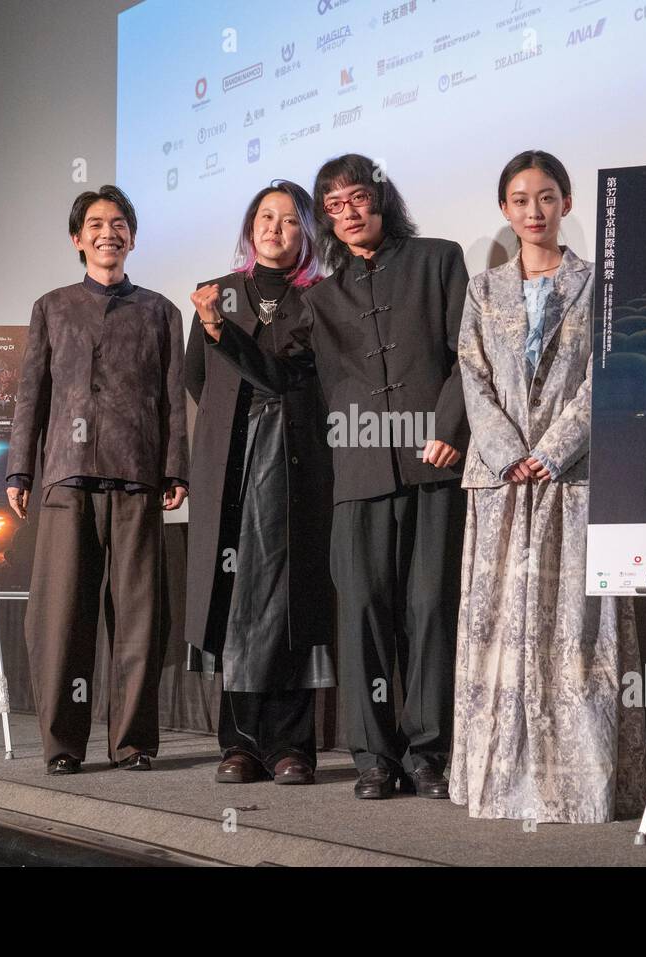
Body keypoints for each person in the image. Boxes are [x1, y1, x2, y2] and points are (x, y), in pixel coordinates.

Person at [199, 154, 469, 800]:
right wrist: (217, 330)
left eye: (357, 198)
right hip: (357, 475)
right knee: (365, 620)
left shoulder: (439, 260)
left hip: (433, 468)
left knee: (431, 612)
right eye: (334, 205)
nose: (347, 212)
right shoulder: (320, 296)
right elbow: (280, 376)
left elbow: (470, 353)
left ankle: (428, 753)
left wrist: (450, 427)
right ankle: (376, 757)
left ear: (381, 198)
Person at [450, 150, 646, 823]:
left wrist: (554, 450)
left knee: (576, 633)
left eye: (546, 197)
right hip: (502, 485)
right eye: (519, 199)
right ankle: (498, 780)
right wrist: (511, 454)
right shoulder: (482, 290)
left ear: (564, 204)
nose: (533, 211)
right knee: (499, 632)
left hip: (576, 478)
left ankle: (579, 786)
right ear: (504, 209)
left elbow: (610, 374)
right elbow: (472, 378)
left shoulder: (601, 284)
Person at [6, 185, 188, 775]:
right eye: (96, 224)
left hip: (136, 477)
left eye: (119, 223)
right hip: (67, 477)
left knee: (137, 620)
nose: (108, 232)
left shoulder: (161, 311)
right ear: (77, 239)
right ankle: (63, 747)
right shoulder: (52, 306)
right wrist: (20, 467)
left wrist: (174, 468)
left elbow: (171, 403)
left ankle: (133, 743)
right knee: (61, 620)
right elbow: (32, 394)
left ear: (132, 236)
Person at [184, 180, 334, 786]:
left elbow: (300, 380)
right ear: (251, 228)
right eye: (264, 218)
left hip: (298, 461)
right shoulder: (217, 294)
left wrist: (227, 337)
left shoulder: (321, 299)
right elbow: (198, 377)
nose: (275, 229)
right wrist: (233, 427)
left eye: (290, 220)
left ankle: (292, 745)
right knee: (234, 601)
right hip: (233, 463)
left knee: (290, 599)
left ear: (307, 233)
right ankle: (239, 744)